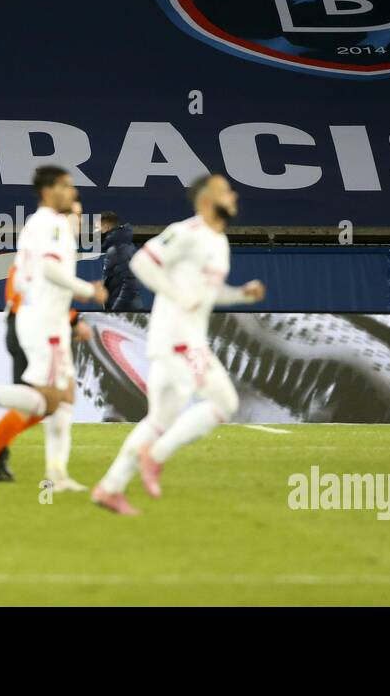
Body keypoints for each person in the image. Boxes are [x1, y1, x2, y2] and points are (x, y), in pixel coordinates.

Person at [93, 174, 265, 515]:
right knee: (224, 401)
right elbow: (142, 262)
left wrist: (240, 294)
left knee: (159, 419)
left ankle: (110, 488)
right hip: (178, 339)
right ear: (205, 201)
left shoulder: (219, 242)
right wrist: (176, 294)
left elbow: (208, 293)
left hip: (182, 339)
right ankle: (155, 456)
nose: (233, 195)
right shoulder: (186, 232)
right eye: (224, 191)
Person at [0, 166, 108, 479]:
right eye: (74, 214)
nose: (77, 220)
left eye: (79, 215)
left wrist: (70, 319)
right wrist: (79, 306)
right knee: (41, 401)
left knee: (57, 398)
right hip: (29, 325)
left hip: (36, 322)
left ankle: (36, 469)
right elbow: (28, 292)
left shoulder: (44, 236)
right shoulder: (49, 231)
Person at [97, 211, 141, 312]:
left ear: (106, 225)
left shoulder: (119, 248)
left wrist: (116, 309)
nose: (97, 228)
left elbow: (130, 282)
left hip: (125, 311)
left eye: (99, 225)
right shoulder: (119, 246)